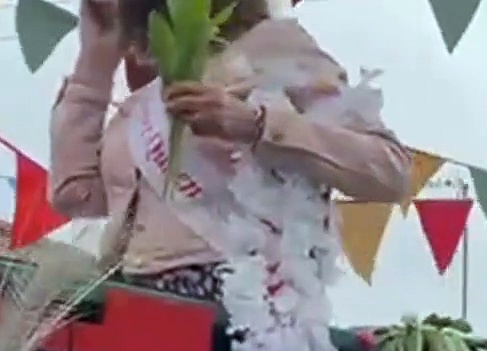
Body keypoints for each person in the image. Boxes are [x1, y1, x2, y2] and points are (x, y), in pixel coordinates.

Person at [50, 0, 408, 301]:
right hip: (129, 298)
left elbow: (390, 170)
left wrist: (257, 125)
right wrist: (95, 62)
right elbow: (77, 196)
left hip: (232, 308)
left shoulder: (273, 45)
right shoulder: (149, 97)